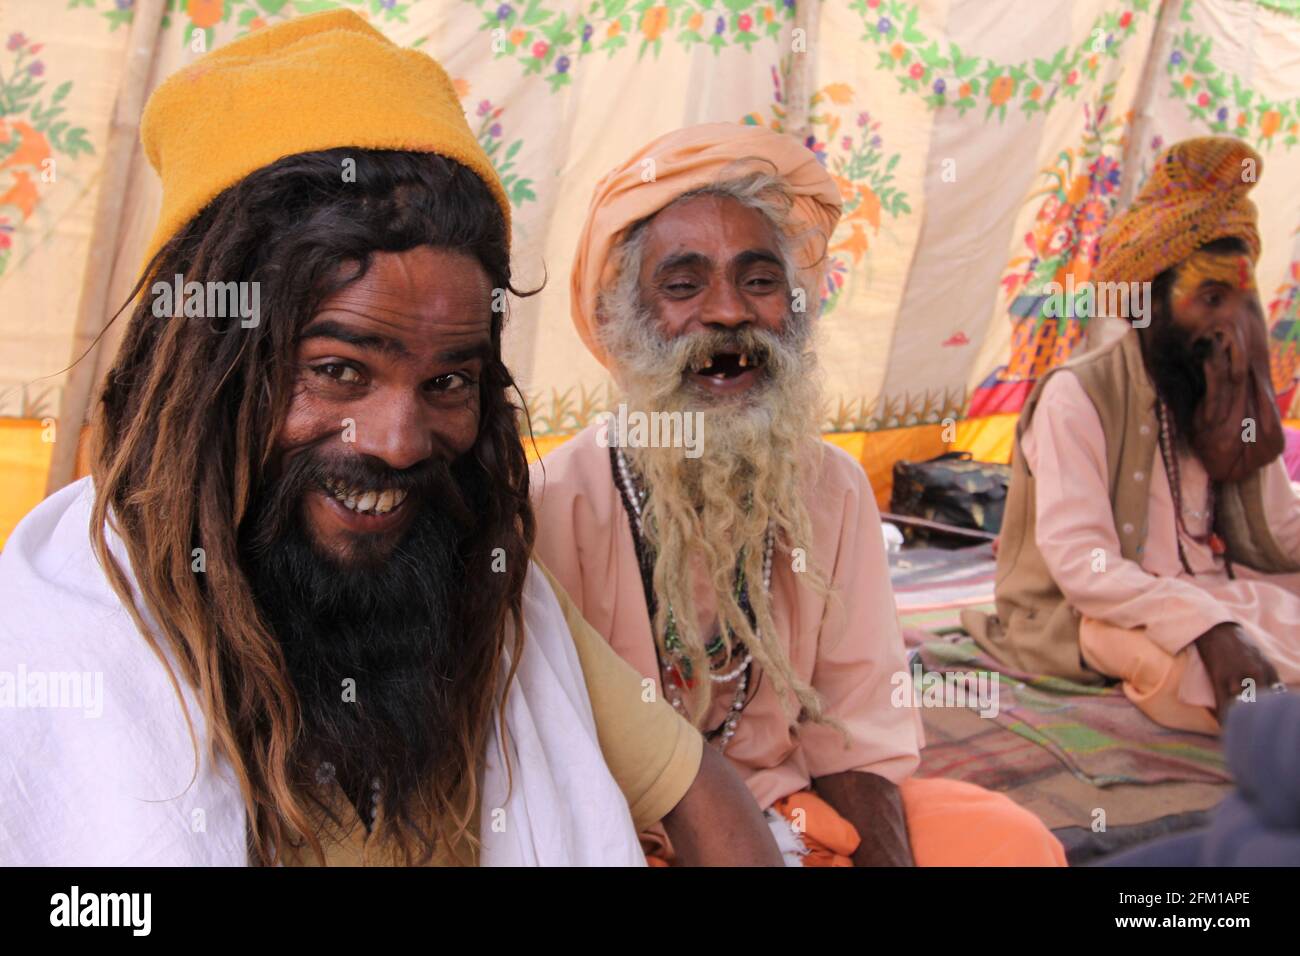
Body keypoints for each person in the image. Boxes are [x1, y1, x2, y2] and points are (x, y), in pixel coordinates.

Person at [0, 11, 781, 867]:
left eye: (449, 381)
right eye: (339, 370)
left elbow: (698, 789)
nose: (401, 442)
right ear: (208, 369)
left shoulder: (489, 594)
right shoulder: (57, 651)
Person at [531, 121, 1066, 866]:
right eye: (684, 285)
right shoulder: (552, 503)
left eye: (758, 280)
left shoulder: (833, 487)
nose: (728, 313)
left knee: (1010, 845)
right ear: (622, 326)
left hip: (794, 817)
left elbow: (856, 723)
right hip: (620, 836)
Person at [969, 137, 1300, 734]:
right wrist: (1210, 628)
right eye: (1211, 298)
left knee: (1251, 650)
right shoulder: (1079, 395)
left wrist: (1246, 417)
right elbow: (1085, 567)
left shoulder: (1224, 379)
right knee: (1185, 675)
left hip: (1231, 591)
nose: (1234, 322)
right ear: (1148, 301)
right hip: (1101, 610)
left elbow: (1279, 532)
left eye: (1241, 297)